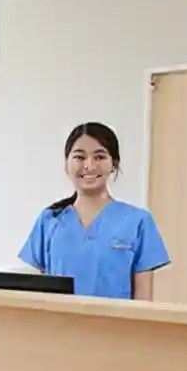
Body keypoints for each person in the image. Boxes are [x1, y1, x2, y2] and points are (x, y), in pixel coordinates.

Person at [18, 122, 170, 300]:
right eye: (79, 157)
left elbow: (143, 303)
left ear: (114, 164)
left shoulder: (139, 221)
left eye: (99, 157)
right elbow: (34, 295)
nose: (89, 165)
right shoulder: (50, 220)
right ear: (66, 164)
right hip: (59, 318)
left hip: (114, 319)